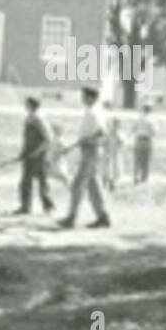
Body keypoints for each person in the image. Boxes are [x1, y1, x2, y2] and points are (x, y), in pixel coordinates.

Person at [59, 86, 110, 229]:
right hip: (89, 150)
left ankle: (71, 218)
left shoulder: (94, 112)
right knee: (93, 186)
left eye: (84, 96)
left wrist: (87, 140)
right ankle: (103, 217)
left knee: (77, 185)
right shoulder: (92, 111)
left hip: (91, 151)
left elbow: (101, 132)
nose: (82, 99)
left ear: (91, 97)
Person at [13, 97, 54, 214]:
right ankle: (25, 207)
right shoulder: (28, 119)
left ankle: (48, 206)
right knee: (26, 181)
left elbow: (48, 138)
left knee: (42, 181)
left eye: (27, 104)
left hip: (39, 156)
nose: (25, 106)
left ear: (31, 105)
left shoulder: (39, 119)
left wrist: (37, 152)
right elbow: (27, 139)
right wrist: (23, 152)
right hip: (28, 155)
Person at [102, 101, 123, 191]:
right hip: (110, 143)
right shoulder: (111, 116)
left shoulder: (105, 116)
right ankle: (110, 182)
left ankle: (109, 182)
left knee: (111, 164)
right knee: (112, 164)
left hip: (111, 144)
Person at [131, 103, 156, 184]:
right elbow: (154, 132)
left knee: (137, 160)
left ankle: (136, 177)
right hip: (147, 140)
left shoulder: (137, 118)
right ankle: (144, 178)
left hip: (138, 140)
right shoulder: (151, 120)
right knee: (146, 161)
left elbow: (133, 129)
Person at [44, 122, 72, 190]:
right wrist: (69, 149)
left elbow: (49, 151)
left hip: (51, 161)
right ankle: (72, 189)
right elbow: (65, 151)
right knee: (64, 177)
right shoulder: (60, 140)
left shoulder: (52, 139)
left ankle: (45, 188)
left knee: (47, 175)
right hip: (57, 162)